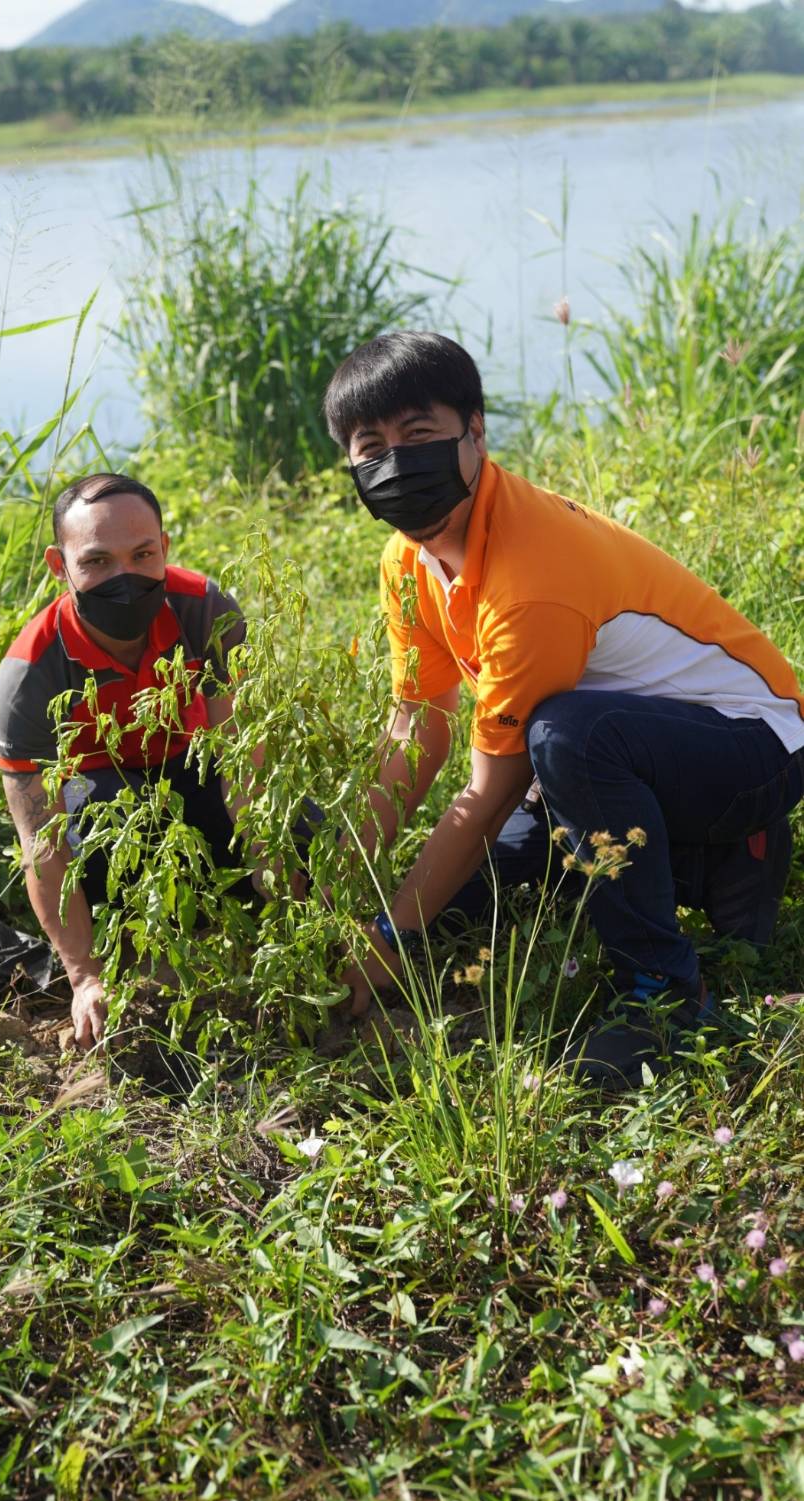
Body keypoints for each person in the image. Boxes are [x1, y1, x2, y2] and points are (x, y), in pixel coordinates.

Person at [324, 331, 804, 1087]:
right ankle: (711, 861)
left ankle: (664, 999)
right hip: (638, 745)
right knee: (469, 893)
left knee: (563, 740)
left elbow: (490, 791)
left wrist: (390, 937)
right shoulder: (408, 561)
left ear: (475, 433)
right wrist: (346, 878)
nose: (396, 463)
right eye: (371, 447)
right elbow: (419, 728)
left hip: (755, 746)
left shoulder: (533, 577)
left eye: (418, 435)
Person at [0, 472, 248, 1048]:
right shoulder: (30, 673)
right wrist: (83, 976)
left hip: (192, 770)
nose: (124, 578)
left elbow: (245, 765)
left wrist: (281, 880)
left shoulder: (205, 611)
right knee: (103, 811)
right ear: (60, 566)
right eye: (97, 561)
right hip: (102, 805)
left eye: (142, 555)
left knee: (301, 831)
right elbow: (42, 841)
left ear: (165, 548)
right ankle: (126, 944)